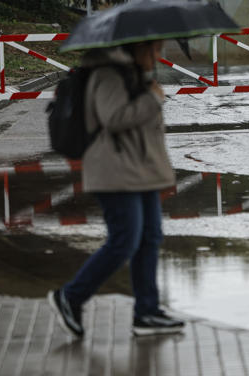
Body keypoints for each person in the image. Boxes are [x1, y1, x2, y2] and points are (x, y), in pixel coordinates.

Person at [48, 39, 184, 338]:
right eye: (155, 49)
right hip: (114, 171)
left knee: (150, 238)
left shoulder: (134, 74)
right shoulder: (107, 75)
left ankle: (146, 312)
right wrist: (152, 98)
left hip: (139, 171)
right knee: (125, 240)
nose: (159, 55)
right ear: (139, 48)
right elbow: (114, 118)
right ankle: (71, 296)